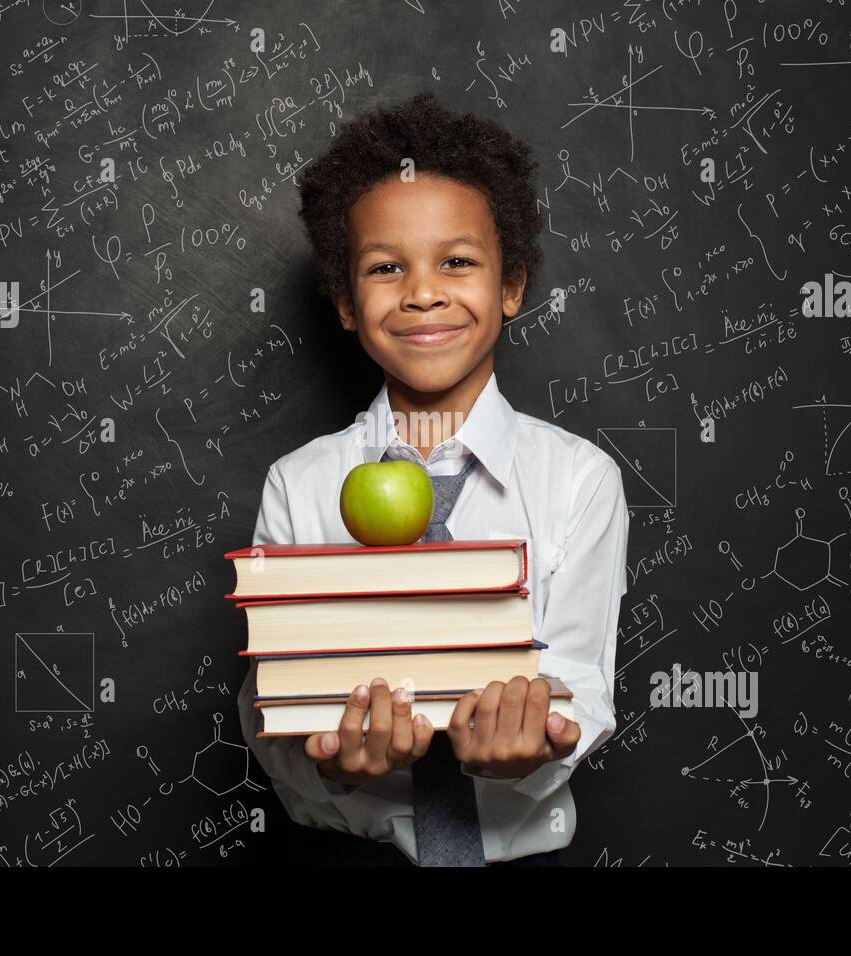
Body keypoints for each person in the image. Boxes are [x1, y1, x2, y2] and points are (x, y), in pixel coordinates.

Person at [236, 91, 629, 866]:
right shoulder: (300, 485)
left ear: (511, 285)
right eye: (387, 268)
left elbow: (581, 680)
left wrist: (537, 744)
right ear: (347, 304)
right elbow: (267, 703)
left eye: (457, 260)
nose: (423, 292)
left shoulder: (580, 479)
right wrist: (330, 765)